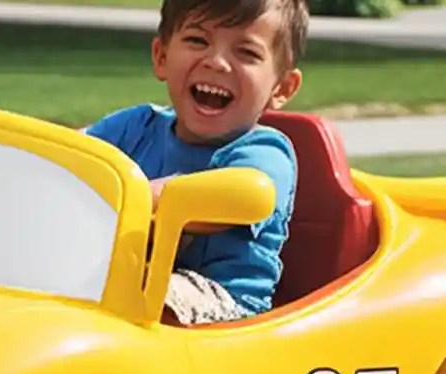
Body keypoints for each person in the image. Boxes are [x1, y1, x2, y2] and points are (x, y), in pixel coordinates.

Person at [84, 0, 307, 324]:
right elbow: (70, 156)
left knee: (133, 293)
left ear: (281, 87)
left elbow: (240, 194)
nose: (216, 62)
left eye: (246, 52)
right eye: (197, 41)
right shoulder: (135, 126)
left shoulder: (265, 152)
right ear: (161, 57)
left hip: (225, 304)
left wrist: (136, 196)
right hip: (130, 278)